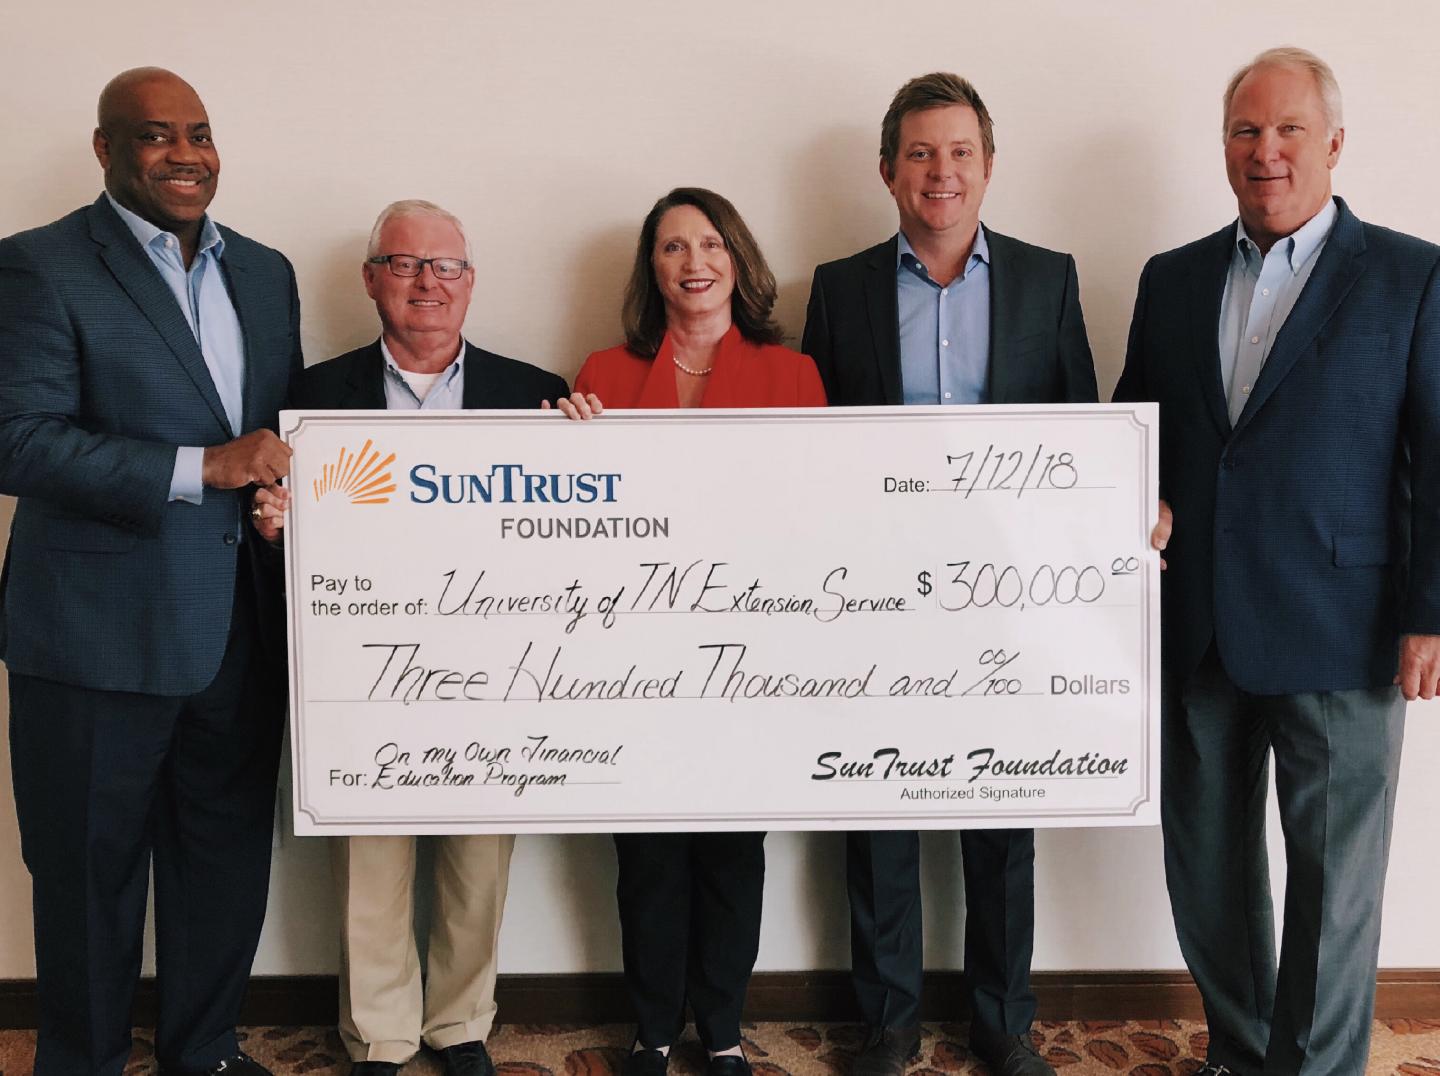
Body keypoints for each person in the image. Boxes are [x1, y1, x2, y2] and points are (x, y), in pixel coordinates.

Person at [1114, 46, 1440, 1075]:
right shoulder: (1171, 279)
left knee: (1336, 888)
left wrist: (1430, 611)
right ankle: (1243, 1053)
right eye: (1246, 131)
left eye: (1290, 129)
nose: (1267, 151)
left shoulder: (1412, 274)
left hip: (1344, 627)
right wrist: (1136, 497)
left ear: (1334, 142)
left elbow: (1438, 452)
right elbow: (1131, 431)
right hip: (1200, 624)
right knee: (1207, 873)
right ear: (1223, 146)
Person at [0, 68, 301, 1075]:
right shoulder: (37, 265)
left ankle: (204, 1049)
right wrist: (201, 467)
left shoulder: (266, 272)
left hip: (235, 627)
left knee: (223, 860)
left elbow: (273, 437)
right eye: (155, 135)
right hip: (94, 635)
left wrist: (275, 494)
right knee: (89, 876)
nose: (185, 154)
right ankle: (83, 1061)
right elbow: (18, 440)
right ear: (106, 149)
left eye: (200, 134)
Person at [800, 73, 1096, 1076]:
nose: (942, 172)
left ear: (989, 165)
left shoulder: (1049, 280)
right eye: (921, 153)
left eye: (960, 151)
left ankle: (1003, 1020)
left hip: (1009, 597)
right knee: (878, 807)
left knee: (1002, 811)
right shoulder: (837, 288)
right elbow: (808, 446)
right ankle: (887, 1021)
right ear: (887, 170)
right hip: (874, 594)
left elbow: (1081, 435)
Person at [256, 199, 567, 1076]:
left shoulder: (536, 394)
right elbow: (285, 532)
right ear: (371, 279)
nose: (427, 282)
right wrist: (275, 530)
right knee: (371, 851)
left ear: (470, 282)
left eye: (446, 266)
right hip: (364, 669)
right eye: (404, 263)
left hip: (496, 667)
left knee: (479, 855)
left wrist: (590, 445)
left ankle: (460, 1024)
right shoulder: (312, 397)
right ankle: (381, 1033)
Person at [552, 187, 826, 1076]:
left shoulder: (794, 375)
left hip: (752, 654)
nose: (694, 262)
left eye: (710, 243)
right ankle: (653, 1029)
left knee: (732, 855)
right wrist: (564, 445)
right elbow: (572, 522)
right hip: (634, 657)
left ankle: (724, 1029)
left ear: (737, 259)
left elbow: (818, 518)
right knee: (648, 856)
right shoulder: (601, 372)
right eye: (673, 247)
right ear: (653, 269)